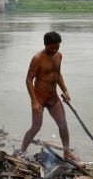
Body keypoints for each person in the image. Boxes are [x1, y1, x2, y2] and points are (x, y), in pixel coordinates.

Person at [18, 31, 75, 160]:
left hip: (53, 96)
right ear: (45, 44)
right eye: (52, 47)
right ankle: (21, 151)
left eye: (57, 46)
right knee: (36, 126)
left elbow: (58, 74)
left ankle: (66, 152)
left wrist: (65, 90)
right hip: (39, 97)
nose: (54, 49)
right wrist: (34, 101)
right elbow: (28, 80)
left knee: (63, 124)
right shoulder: (38, 59)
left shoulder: (58, 56)